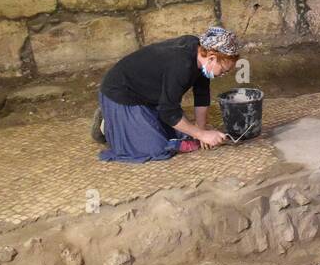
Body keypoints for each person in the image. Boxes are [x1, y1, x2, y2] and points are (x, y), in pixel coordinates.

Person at [92, 27, 241, 163]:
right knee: (156, 149)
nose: (223, 74)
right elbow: (168, 111)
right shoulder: (181, 65)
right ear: (212, 58)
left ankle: (128, 120)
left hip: (150, 95)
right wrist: (202, 135)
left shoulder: (200, 52)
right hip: (122, 93)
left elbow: (201, 94)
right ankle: (108, 123)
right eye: (223, 70)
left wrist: (200, 130)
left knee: (179, 136)